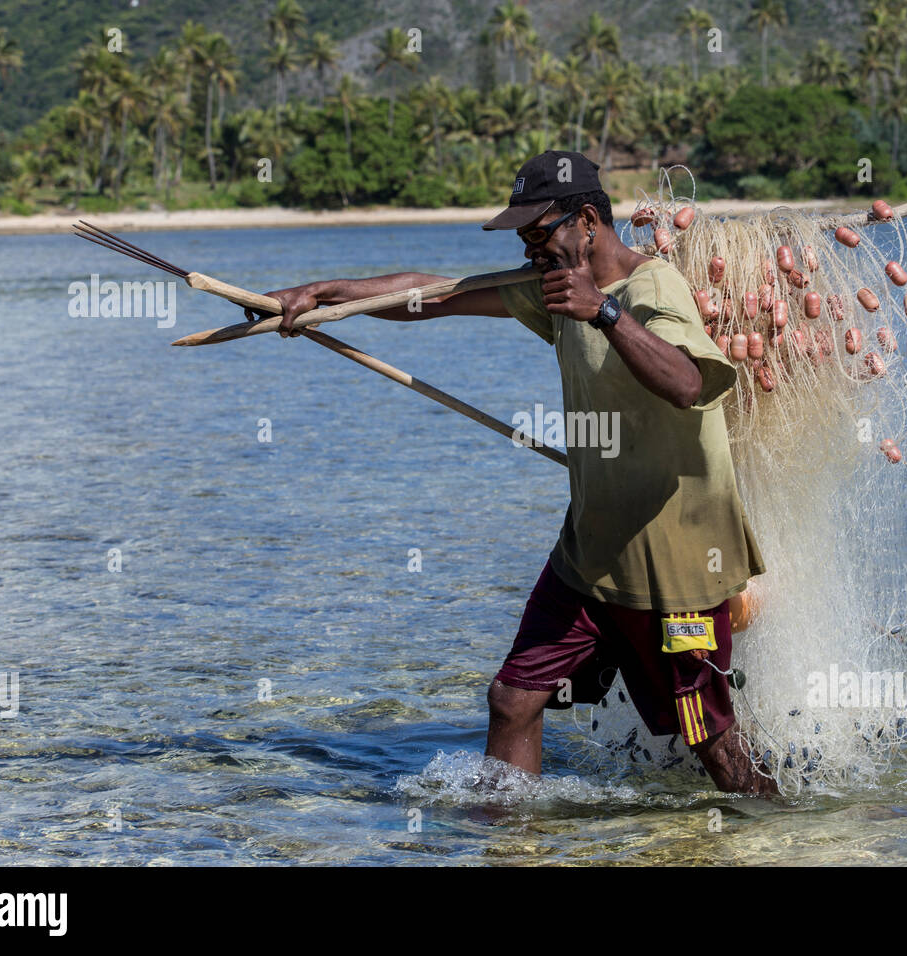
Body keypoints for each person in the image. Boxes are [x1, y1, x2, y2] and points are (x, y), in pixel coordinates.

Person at [245, 150, 772, 795]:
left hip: (680, 565)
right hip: (591, 555)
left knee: (712, 744)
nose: (529, 251)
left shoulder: (650, 287)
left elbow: (688, 383)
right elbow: (436, 297)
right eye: (522, 237)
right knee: (512, 699)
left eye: (537, 233)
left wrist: (601, 313)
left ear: (585, 220)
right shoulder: (556, 286)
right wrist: (325, 296)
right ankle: (509, 843)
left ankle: (777, 833)